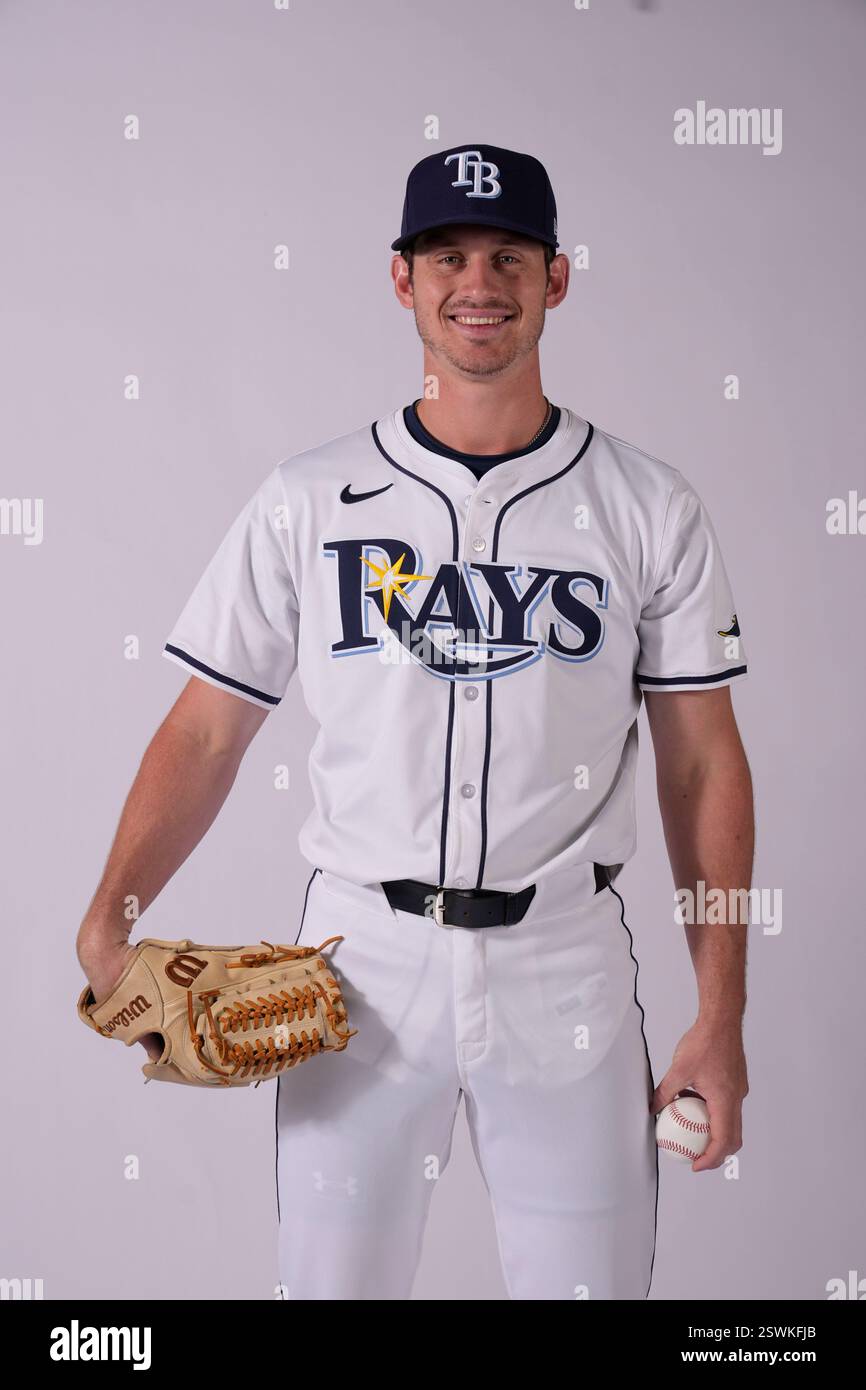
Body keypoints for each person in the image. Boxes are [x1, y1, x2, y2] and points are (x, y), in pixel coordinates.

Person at [77, 143, 752, 1301]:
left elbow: (699, 764)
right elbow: (204, 729)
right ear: (402, 279)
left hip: (565, 965)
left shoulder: (647, 505)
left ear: (557, 277)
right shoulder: (306, 496)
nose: (476, 282)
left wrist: (720, 1014)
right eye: (446, 255)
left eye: (508, 255)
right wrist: (109, 920)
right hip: (355, 970)